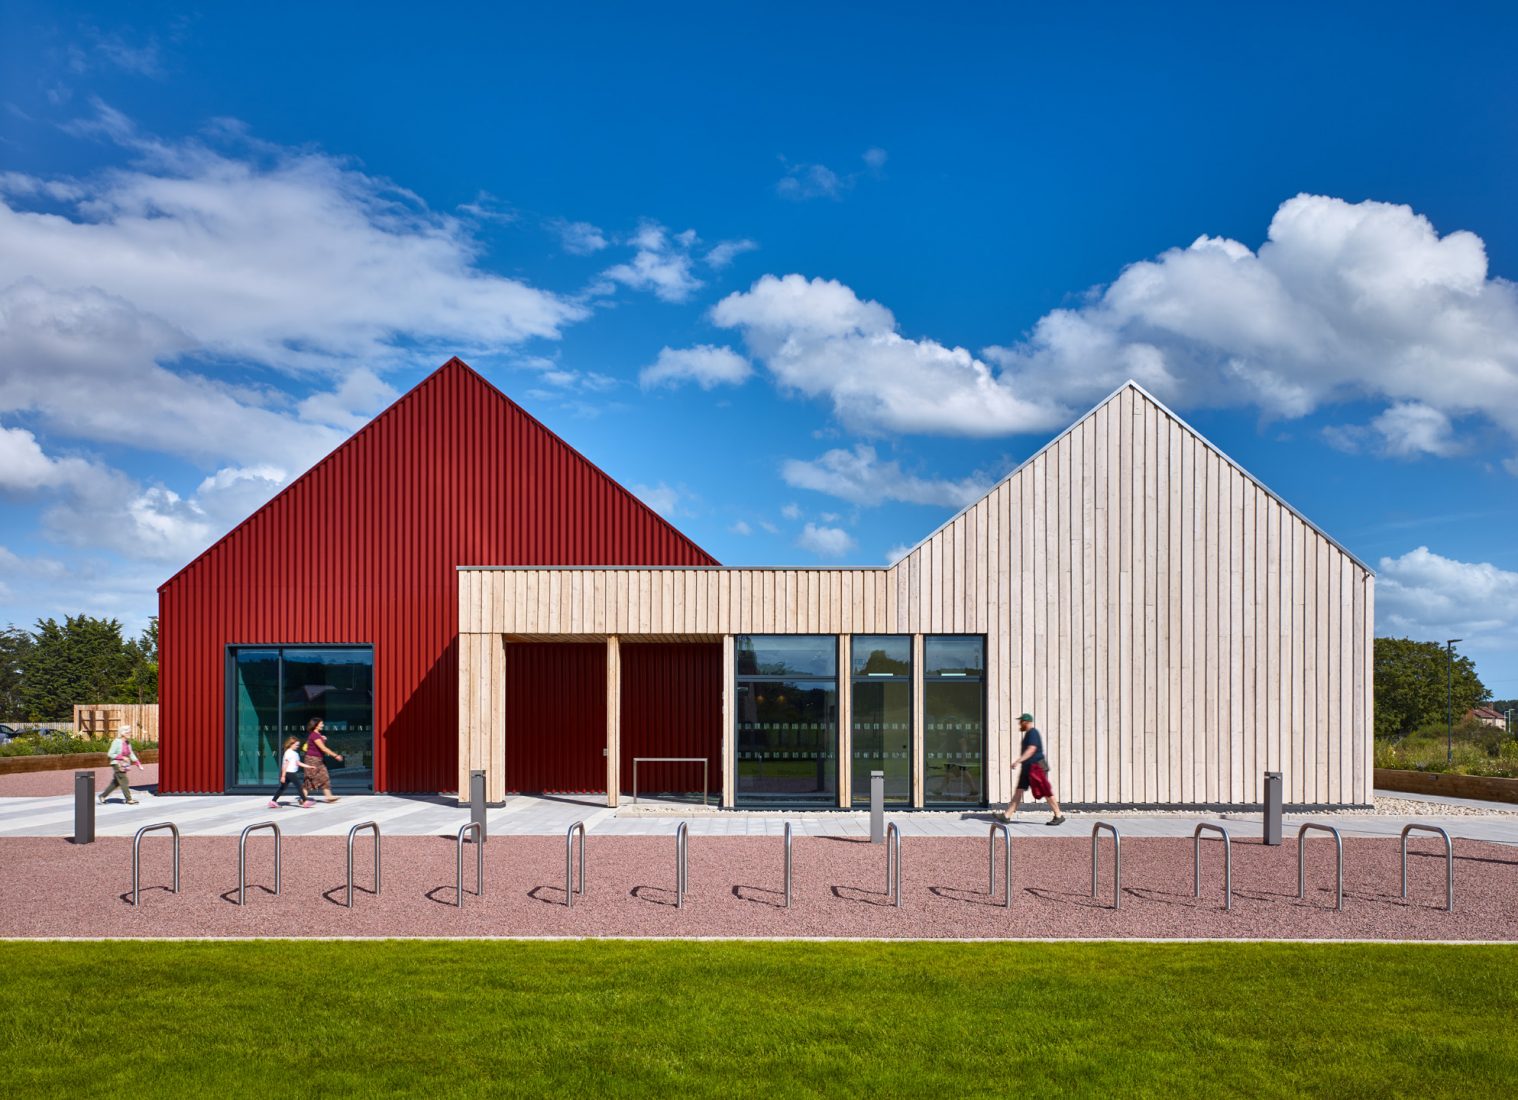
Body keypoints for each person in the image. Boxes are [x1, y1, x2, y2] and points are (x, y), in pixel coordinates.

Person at [1001, 712, 1067, 826]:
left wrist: (1018, 761)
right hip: (1028, 767)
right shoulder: (1028, 734)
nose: (1019, 724)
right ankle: (1007, 815)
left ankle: (1058, 815)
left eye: (1021, 721)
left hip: (1036, 767)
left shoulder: (1033, 733)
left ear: (1026, 722)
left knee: (1045, 790)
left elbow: (1032, 749)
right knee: (1019, 790)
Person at [300, 717, 344, 804]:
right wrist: (335, 755)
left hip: (319, 760)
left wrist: (323, 739)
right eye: (321, 724)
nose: (323, 725)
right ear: (316, 725)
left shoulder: (317, 735)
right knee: (309, 779)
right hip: (312, 760)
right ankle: (303, 798)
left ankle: (329, 797)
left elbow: (318, 745)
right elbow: (323, 748)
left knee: (325, 777)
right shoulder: (314, 735)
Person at [99, 723, 142, 805]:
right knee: (124, 780)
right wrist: (122, 757)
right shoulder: (116, 742)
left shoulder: (127, 742)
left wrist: (138, 763)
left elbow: (131, 753)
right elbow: (110, 754)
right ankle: (129, 799)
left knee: (116, 782)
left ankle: (102, 796)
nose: (130, 734)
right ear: (122, 733)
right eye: (127, 732)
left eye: (130, 732)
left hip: (124, 764)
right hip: (116, 764)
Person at [269, 737, 313, 808]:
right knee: (299, 786)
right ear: (291, 744)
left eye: (298, 745)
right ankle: (305, 801)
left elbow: (298, 763)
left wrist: (309, 766)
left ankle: (273, 801)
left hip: (290, 773)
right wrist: (283, 776)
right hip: (289, 772)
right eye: (296, 745)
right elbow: (285, 765)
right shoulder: (288, 753)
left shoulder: (295, 753)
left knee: (283, 787)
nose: (297, 746)